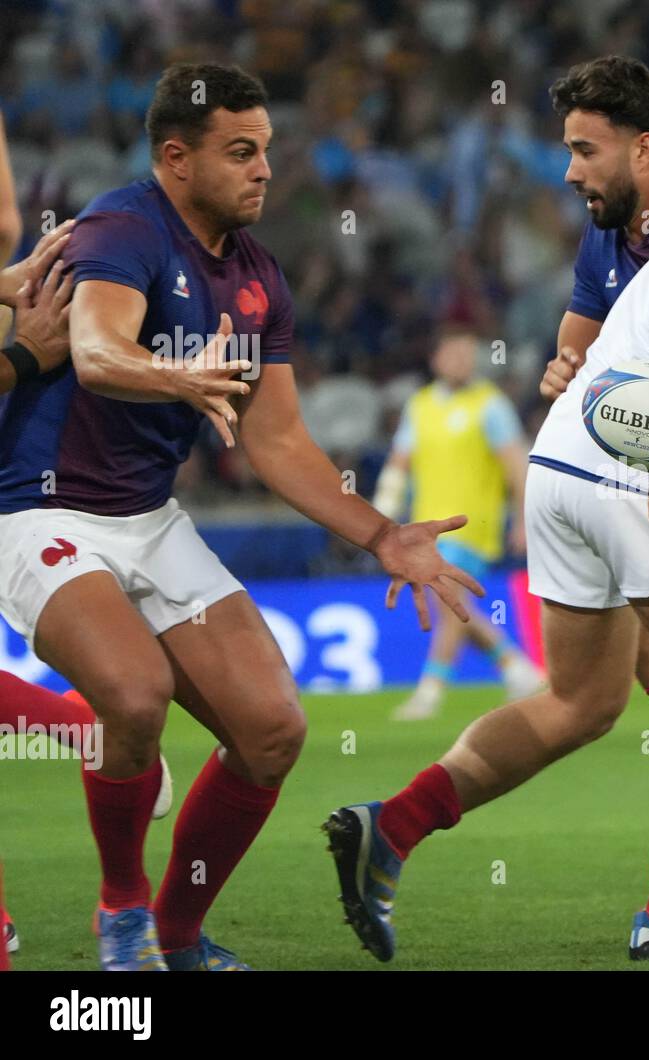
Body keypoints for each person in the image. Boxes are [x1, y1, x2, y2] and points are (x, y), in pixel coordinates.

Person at [324, 54, 649, 962]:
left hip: (563, 470)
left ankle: (391, 827)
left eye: (583, 150)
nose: (568, 171)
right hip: (643, 471)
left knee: (581, 700)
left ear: (644, 147)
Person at [0, 62, 481, 971]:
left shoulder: (257, 278)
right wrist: (171, 375)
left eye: (265, 150)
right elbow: (97, 350)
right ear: (176, 158)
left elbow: (282, 441)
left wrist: (382, 534)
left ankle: (179, 938)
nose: (263, 169)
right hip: (39, 511)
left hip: (148, 516)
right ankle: (123, 912)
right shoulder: (120, 227)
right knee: (133, 696)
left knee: (272, 730)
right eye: (240, 152)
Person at [376, 328, 544, 721]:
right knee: (452, 602)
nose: (461, 362)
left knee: (447, 595)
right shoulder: (419, 405)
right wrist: (381, 516)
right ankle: (515, 666)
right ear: (436, 359)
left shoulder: (490, 405)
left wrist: (521, 519)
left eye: (468, 355)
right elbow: (399, 463)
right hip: (423, 526)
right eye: (453, 354)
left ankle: (431, 689)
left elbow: (516, 467)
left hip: (471, 525)